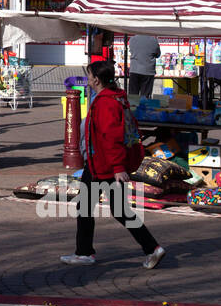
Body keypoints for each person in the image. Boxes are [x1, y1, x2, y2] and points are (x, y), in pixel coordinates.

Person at [61, 58, 166, 269]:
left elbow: (111, 137)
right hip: (99, 163)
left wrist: (118, 168)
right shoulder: (114, 97)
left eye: (90, 75)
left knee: (105, 208)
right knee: (98, 207)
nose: (88, 79)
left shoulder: (106, 102)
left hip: (104, 165)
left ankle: (149, 248)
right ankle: (86, 251)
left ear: (97, 80)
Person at [128, 33, 160, 98]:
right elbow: (158, 54)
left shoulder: (132, 39)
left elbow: (131, 51)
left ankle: (133, 104)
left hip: (134, 70)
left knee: (133, 96)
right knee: (145, 96)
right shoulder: (154, 40)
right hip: (148, 71)